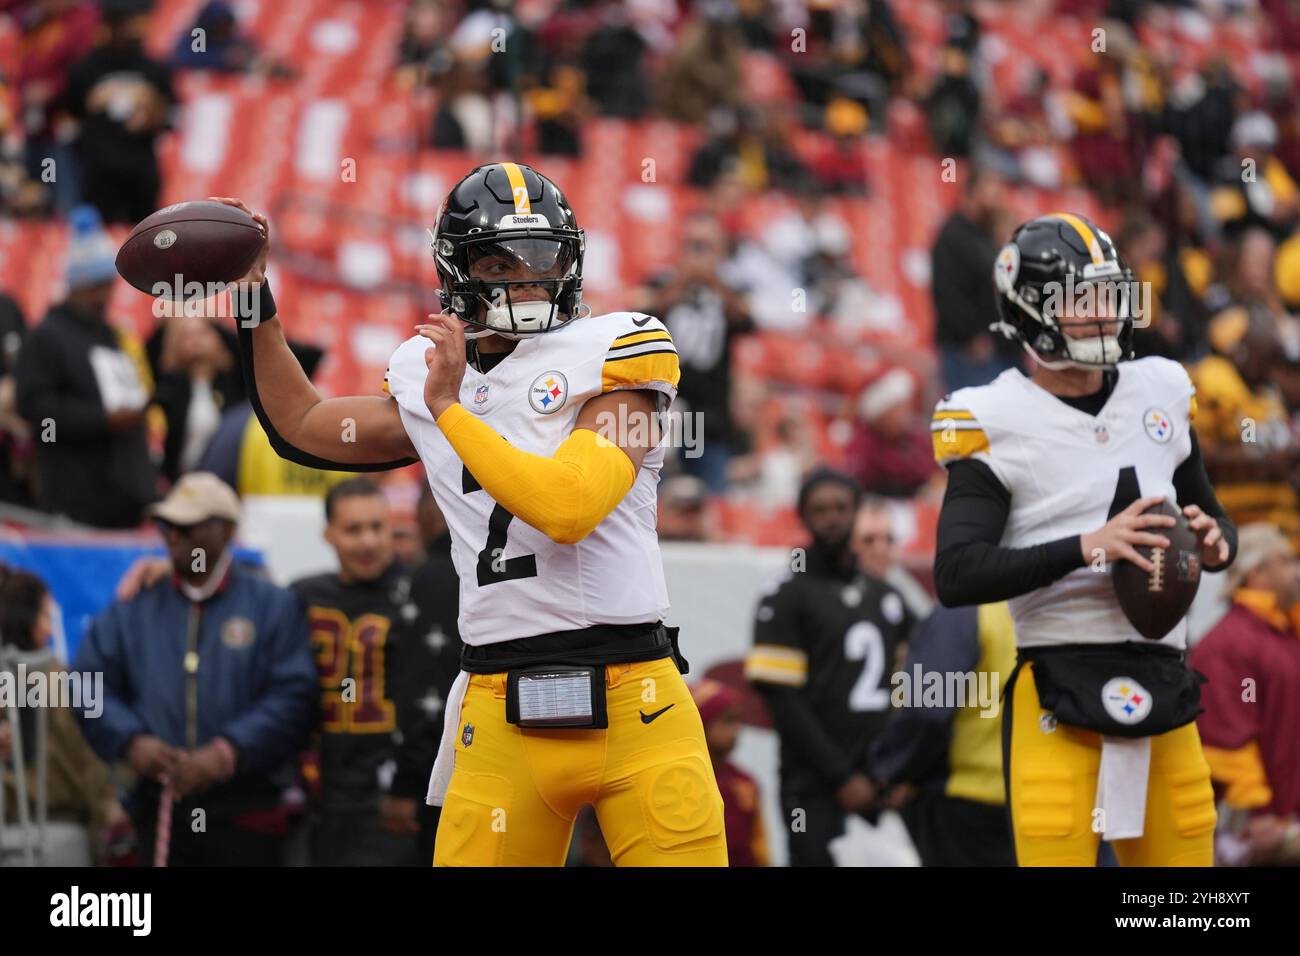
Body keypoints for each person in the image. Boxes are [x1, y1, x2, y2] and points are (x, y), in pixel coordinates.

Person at [208, 162, 726, 867]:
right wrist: (252, 299)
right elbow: (300, 423)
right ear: (458, 270)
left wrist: (450, 409)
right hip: (499, 703)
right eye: (498, 260)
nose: (526, 280)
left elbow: (568, 508)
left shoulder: (621, 349)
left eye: (541, 260)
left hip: (635, 695)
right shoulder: (428, 374)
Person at [932, 213, 1238, 867]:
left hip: (1163, 683)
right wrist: (1088, 546)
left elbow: (1210, 515)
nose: (1104, 314)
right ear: (1029, 309)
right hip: (1056, 690)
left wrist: (1217, 543)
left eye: (1109, 295)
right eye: (1080, 299)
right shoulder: (995, 416)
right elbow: (957, 573)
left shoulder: (1159, 390)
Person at [73, 472, 317, 866]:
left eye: (188, 527)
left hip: (247, 815)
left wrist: (228, 751)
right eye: (168, 526)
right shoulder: (133, 607)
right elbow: (85, 685)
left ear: (227, 531)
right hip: (158, 811)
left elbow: (295, 695)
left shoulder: (273, 606)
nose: (174, 536)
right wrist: (131, 742)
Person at [745, 469, 914, 866]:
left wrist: (900, 767)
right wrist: (841, 776)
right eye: (820, 509)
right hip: (814, 785)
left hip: (883, 781)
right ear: (802, 516)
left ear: (857, 512)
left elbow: (913, 687)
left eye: (841, 507)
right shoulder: (786, 594)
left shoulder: (886, 595)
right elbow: (783, 702)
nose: (832, 517)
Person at [291, 478, 439, 866]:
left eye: (377, 527)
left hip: (394, 794)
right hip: (324, 790)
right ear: (328, 534)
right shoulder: (303, 595)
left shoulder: (418, 592)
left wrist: (411, 784)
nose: (369, 542)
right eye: (353, 530)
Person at [14, 205, 156, 527]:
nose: (106, 294)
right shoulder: (46, 338)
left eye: (108, 284)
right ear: (77, 285)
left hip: (126, 501)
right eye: (98, 285)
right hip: (76, 502)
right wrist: (102, 420)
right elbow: (35, 408)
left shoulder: (112, 336)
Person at [870, 602, 1016, 867]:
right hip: (1037, 796)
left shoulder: (965, 610)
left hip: (964, 800)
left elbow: (927, 711)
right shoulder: (1043, 604)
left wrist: (894, 769)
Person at [0, 565, 128, 865]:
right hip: (63, 836)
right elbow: (93, 767)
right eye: (45, 616)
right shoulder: (73, 683)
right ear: (29, 621)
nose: (48, 628)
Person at [1190, 524, 1300, 865]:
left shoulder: (1281, 632)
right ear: (1256, 572)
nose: (1295, 569)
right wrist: (1258, 809)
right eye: (1285, 560)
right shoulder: (1232, 643)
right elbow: (1229, 733)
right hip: (1259, 828)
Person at [930, 166, 1016, 392]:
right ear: (972, 192)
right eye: (991, 187)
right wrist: (971, 336)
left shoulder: (986, 236)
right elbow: (946, 294)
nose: (997, 195)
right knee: (973, 423)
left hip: (997, 348)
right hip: (969, 351)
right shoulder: (953, 236)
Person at [690, 679, 768, 867]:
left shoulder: (745, 783)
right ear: (701, 722)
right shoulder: (683, 780)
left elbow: (759, 848)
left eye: (739, 721)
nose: (736, 730)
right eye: (727, 721)